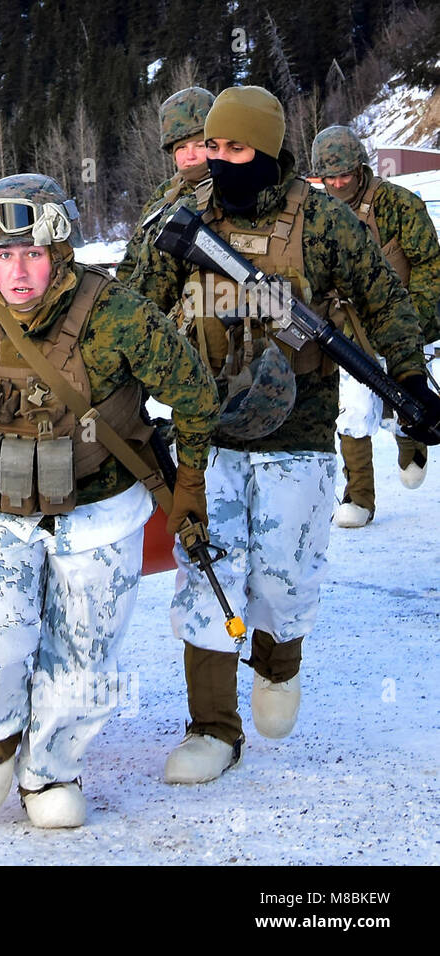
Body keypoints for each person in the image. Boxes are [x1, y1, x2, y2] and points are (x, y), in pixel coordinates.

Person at [128, 87, 431, 784]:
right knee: (207, 573)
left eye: (238, 149)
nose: (222, 161)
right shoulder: (182, 221)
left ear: (268, 150)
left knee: (284, 575)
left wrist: (411, 381)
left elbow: (383, 297)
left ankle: (277, 665)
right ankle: (212, 728)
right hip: (208, 435)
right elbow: (131, 312)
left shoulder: (321, 219)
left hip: (297, 432)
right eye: (214, 147)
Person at [0, 173, 219, 827]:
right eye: (3, 255)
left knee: (85, 656)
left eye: (31, 252)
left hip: (98, 513)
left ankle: (51, 771)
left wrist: (191, 492)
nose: (17, 271)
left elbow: (198, 394)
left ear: (60, 252)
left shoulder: (118, 313)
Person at [309, 124, 440, 527]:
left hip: (399, 319)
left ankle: (411, 439)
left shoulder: (400, 204)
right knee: (351, 410)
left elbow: (430, 266)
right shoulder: (315, 213)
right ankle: (359, 497)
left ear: (360, 167)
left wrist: (412, 322)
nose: (337, 182)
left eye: (344, 174)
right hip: (343, 329)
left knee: (405, 391)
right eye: (329, 177)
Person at [114, 87, 214, 283]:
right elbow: (131, 259)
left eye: (199, 145)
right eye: (181, 148)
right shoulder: (166, 193)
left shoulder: (232, 191)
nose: (190, 155)